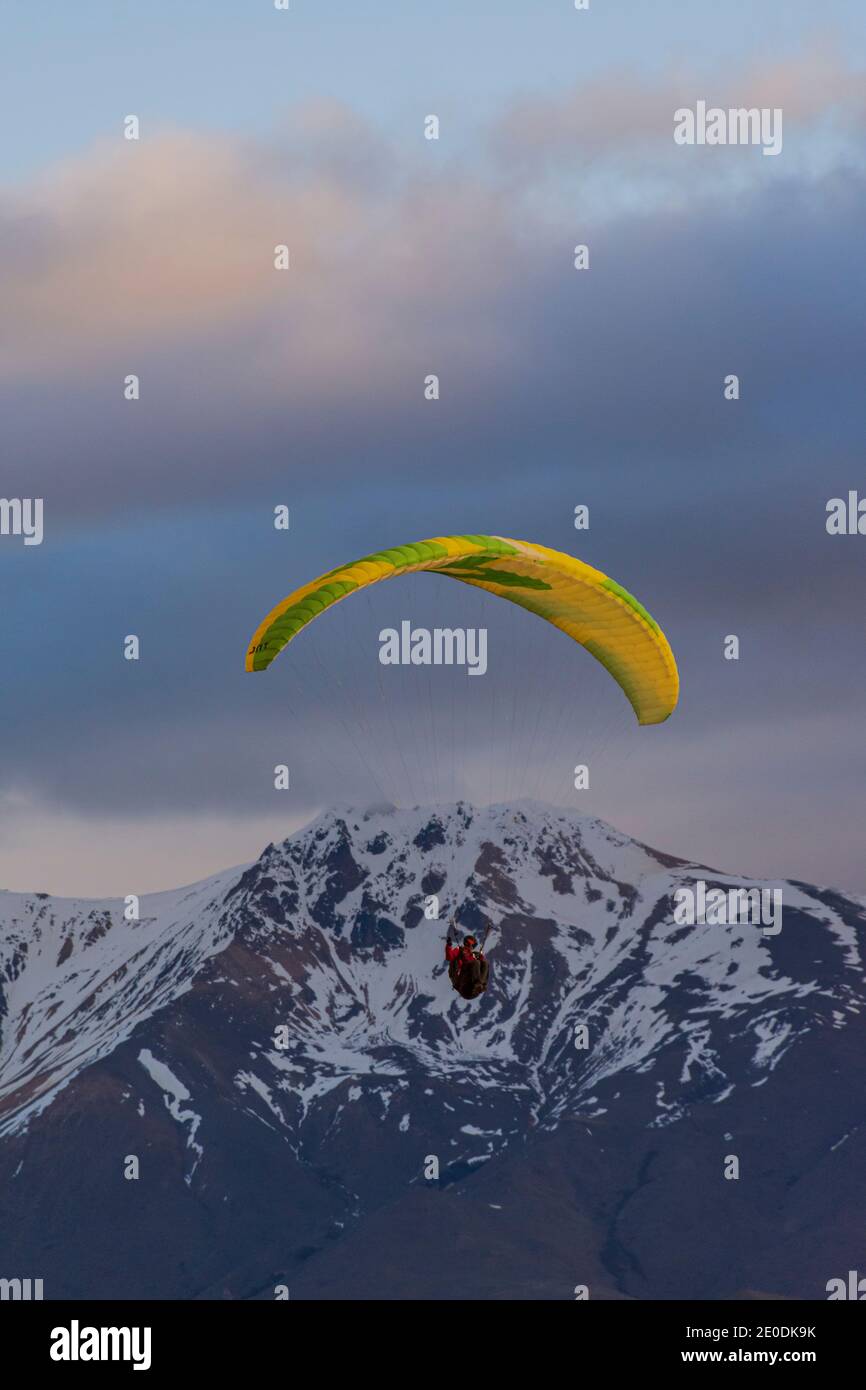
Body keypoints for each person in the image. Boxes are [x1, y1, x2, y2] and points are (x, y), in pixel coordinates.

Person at [445, 930, 488, 999]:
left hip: (472, 988)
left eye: (473, 945)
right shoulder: (459, 950)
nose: (471, 947)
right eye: (469, 944)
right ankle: (477, 984)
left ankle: (481, 985)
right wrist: (449, 946)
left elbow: (482, 963)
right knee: (475, 963)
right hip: (461, 982)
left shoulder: (473, 955)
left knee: (485, 963)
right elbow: (449, 957)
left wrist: (480, 957)